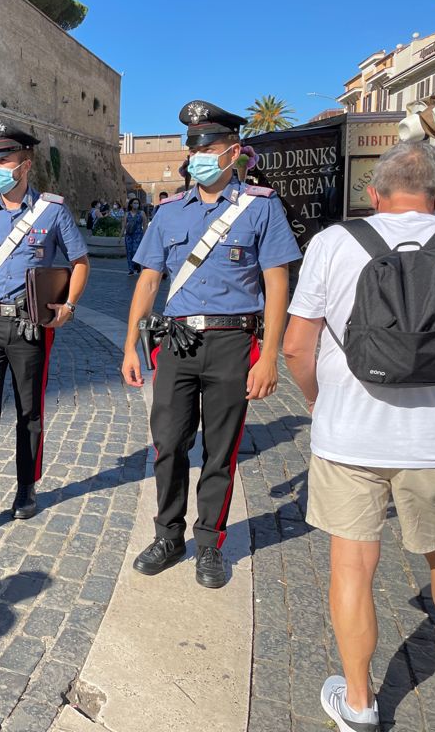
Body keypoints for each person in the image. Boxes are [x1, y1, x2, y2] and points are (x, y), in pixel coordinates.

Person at [283, 142, 435, 732]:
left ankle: (359, 702)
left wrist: (321, 403)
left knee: (352, 565)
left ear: (372, 195)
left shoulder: (332, 242)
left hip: (349, 436)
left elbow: (297, 346)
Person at [121, 101, 301, 588]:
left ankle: (210, 543)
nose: (199, 155)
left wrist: (269, 356)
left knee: (220, 452)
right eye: (194, 148)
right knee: (168, 445)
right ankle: (167, 534)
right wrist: (129, 344)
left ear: (233, 152)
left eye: (210, 147)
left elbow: (277, 281)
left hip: (232, 342)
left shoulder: (260, 207)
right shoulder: (168, 212)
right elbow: (149, 279)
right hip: (176, 344)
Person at [0, 122, 90, 532]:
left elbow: (80, 263)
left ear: (25, 164)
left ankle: (26, 485)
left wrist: (68, 306)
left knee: (29, 410)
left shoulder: (52, 212)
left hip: (30, 325)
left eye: (4, 159)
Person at [121, 197, 147, 275]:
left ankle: (137, 265)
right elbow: (124, 226)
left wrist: (145, 235)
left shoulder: (141, 213)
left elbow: (145, 224)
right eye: (135, 203)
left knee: (135, 250)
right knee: (129, 252)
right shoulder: (127, 214)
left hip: (138, 235)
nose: (136, 205)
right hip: (129, 235)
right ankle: (131, 269)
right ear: (131, 204)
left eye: (137, 203)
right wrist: (120, 237)